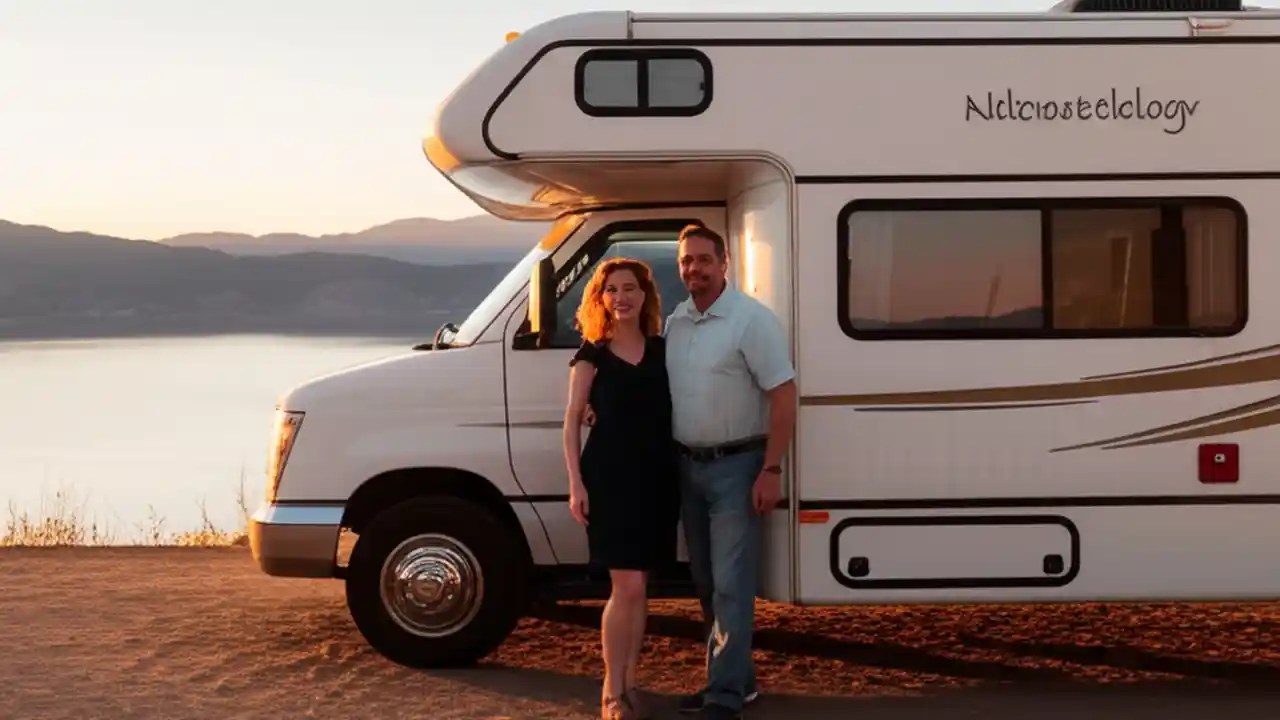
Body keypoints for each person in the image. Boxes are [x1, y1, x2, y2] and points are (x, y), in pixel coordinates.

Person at [664, 224, 796, 720]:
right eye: (686, 261)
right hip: (687, 467)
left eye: (702, 259)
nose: (693, 268)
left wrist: (772, 469)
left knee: (731, 583)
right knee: (704, 582)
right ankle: (737, 681)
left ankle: (723, 696)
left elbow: (783, 394)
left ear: (724, 264)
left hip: (737, 468)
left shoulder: (749, 320)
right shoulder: (676, 323)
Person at [562, 257, 681, 720]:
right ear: (601, 299)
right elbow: (572, 419)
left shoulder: (661, 351)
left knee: (640, 586)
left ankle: (631, 683)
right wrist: (575, 483)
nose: (622, 297)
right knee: (624, 584)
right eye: (612, 290)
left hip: (656, 477)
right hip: (609, 477)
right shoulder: (591, 354)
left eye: (630, 288)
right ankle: (611, 690)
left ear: (645, 296)